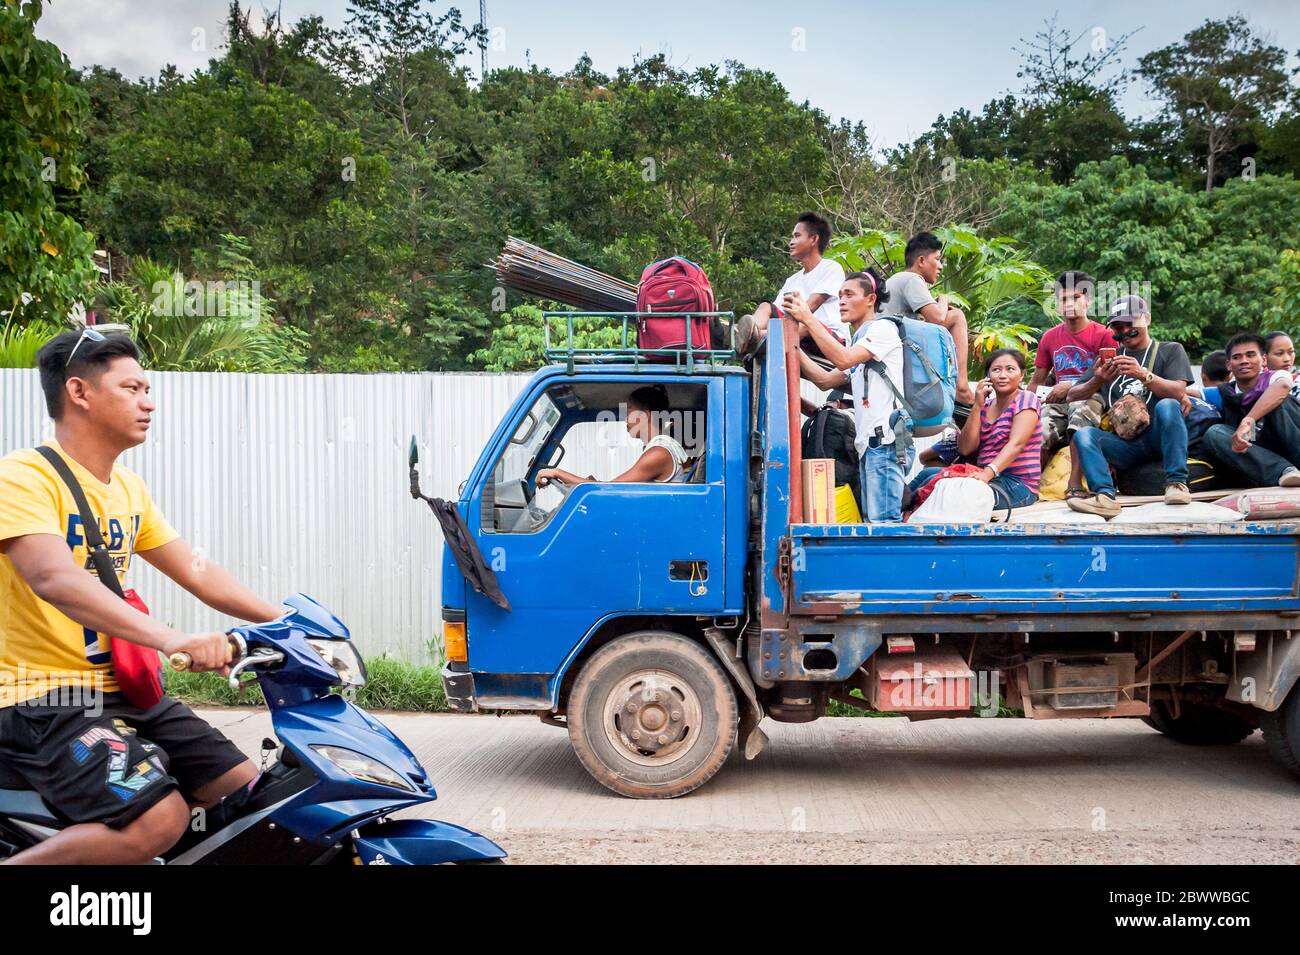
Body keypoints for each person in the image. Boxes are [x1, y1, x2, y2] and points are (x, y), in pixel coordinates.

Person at [0, 329, 282, 865]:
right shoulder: (22, 478)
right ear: (80, 393)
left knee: (248, 793)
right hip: (42, 698)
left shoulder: (127, 489)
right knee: (160, 818)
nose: (148, 401)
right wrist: (175, 638)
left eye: (147, 389)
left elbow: (196, 571)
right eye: (132, 388)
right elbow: (54, 579)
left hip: (124, 693)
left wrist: (290, 619)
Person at [788, 270, 913, 522]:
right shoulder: (859, 344)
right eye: (839, 295)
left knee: (883, 526)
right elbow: (823, 381)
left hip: (886, 443)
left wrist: (808, 319)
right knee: (873, 524)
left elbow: (843, 360)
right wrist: (788, 341)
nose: (841, 301)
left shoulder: (882, 330)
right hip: (870, 446)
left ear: (871, 299)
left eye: (849, 294)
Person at [1064, 296, 1194, 518]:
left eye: (1130, 323)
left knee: (1168, 405)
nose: (1125, 330)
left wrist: (1144, 375)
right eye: (1118, 326)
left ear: (1147, 319)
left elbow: (1178, 391)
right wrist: (1098, 380)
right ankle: (1105, 497)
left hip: (1159, 437)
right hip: (1125, 444)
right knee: (1085, 435)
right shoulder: (1108, 359)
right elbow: (1071, 396)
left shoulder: (1170, 350)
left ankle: (1177, 485)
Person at [910, 349, 1043, 510]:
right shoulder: (985, 407)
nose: (1002, 375)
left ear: (1021, 375)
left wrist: (987, 473)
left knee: (947, 492)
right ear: (988, 377)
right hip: (985, 476)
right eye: (996, 370)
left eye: (1010, 369)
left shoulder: (1026, 399)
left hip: (1017, 484)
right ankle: (893, 512)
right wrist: (978, 405)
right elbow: (965, 448)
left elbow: (1017, 443)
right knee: (928, 474)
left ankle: (904, 515)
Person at [734, 212, 847, 359]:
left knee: (807, 323)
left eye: (797, 236)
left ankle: (757, 336)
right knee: (766, 307)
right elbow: (776, 312)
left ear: (814, 239)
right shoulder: (793, 280)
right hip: (795, 333)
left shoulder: (831, 268)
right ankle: (747, 332)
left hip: (829, 337)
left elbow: (809, 308)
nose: (791, 242)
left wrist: (773, 330)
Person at [1030, 271, 1115, 458]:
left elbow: (1112, 378)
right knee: (1039, 429)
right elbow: (1037, 381)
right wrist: (1025, 406)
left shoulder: (1104, 335)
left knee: (1080, 415)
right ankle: (1033, 483)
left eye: (1076, 297)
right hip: (1058, 403)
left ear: (1088, 300)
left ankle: (1075, 481)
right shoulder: (1049, 337)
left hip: (1094, 397)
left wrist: (1069, 387)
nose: (1069, 304)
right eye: (1063, 299)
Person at [883, 232, 973, 407]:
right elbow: (938, 318)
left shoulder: (897, 279)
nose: (940, 266)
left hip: (893, 341)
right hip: (898, 345)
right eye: (938, 259)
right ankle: (961, 387)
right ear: (922, 261)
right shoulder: (912, 279)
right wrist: (944, 300)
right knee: (956, 316)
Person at [1200, 333, 1300, 489]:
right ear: (1228, 364)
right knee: (1214, 433)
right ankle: (1284, 471)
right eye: (1237, 357)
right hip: (1264, 458)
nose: (1244, 361)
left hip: (1291, 446)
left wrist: (1248, 420)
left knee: (1281, 402)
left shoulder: (1276, 377)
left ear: (1264, 360)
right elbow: (1185, 391)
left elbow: (1283, 387)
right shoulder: (1225, 392)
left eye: (1251, 355)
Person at [538, 385, 687, 487]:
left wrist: (556, 472)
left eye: (629, 412)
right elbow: (612, 489)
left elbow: (607, 491)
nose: (625, 420)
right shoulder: (657, 449)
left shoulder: (658, 453)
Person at [1263, 331, 1300, 402]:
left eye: (1291, 352)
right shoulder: (1255, 383)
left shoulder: (1297, 382)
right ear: (1264, 357)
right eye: (1279, 354)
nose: (1287, 359)